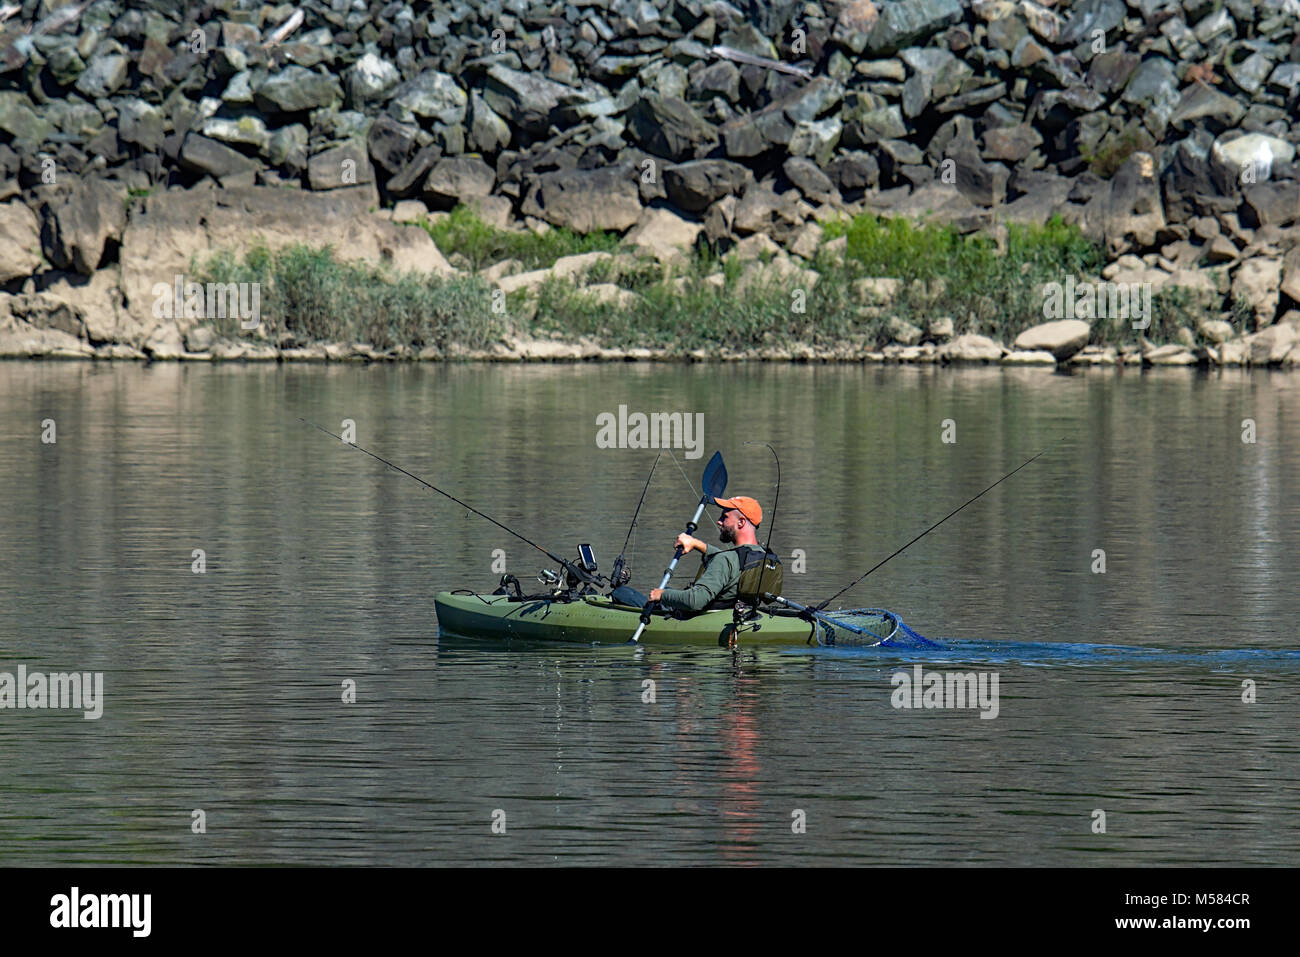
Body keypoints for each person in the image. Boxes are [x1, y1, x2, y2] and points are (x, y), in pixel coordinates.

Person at [648, 495, 782, 615]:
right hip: (739, 613)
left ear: (741, 522)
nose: (719, 521)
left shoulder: (725, 560)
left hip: (702, 615)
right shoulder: (764, 557)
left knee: (635, 594)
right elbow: (732, 564)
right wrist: (697, 544)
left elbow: (695, 601)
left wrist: (661, 594)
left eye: (725, 517)